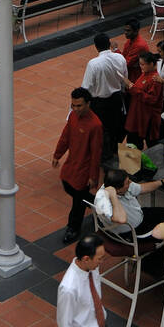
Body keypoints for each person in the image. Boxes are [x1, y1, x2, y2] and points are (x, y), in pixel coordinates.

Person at [52, 87, 102, 244]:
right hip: (72, 164)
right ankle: (97, 203)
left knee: (78, 202)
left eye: (79, 105)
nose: (75, 108)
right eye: (73, 105)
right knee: (68, 185)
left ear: (88, 104)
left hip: (84, 169)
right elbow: (65, 136)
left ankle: (73, 228)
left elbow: (96, 153)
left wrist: (93, 176)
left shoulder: (95, 125)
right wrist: (57, 154)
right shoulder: (73, 116)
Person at [94, 166, 164, 238]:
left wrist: (163, 181)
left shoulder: (114, 184)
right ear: (118, 190)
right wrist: (113, 196)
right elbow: (121, 219)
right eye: (127, 183)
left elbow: (142, 188)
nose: (131, 183)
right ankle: (159, 253)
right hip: (133, 232)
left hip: (140, 216)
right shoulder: (103, 202)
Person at [81, 32, 128, 158]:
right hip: (117, 99)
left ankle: (104, 155)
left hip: (100, 103)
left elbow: (86, 87)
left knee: (101, 129)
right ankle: (112, 150)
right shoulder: (120, 58)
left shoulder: (93, 64)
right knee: (115, 126)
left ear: (96, 47)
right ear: (109, 44)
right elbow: (124, 79)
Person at [124, 50, 164, 147]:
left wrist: (132, 88)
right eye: (140, 64)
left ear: (151, 64)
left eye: (143, 64)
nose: (141, 67)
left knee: (152, 144)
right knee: (132, 143)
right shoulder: (145, 74)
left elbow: (152, 99)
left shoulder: (155, 79)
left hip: (147, 117)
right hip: (138, 115)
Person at [122, 19, 151, 84]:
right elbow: (123, 56)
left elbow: (127, 63)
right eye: (125, 30)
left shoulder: (139, 45)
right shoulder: (130, 40)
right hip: (132, 72)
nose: (125, 32)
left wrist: (116, 50)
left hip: (136, 76)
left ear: (136, 31)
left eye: (128, 30)